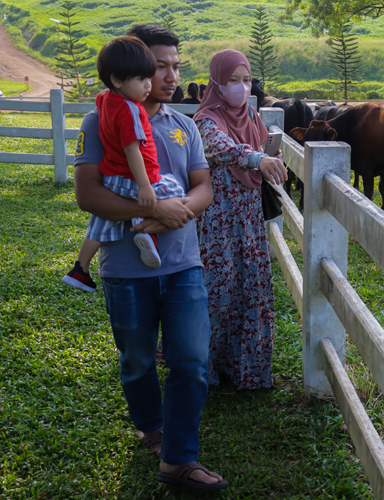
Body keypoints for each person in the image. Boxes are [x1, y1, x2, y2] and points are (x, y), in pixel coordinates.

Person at [73, 24, 227, 490]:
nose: (170, 75)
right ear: (130, 70)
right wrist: (152, 208)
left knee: (190, 360)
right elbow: (87, 195)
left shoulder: (184, 127)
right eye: (160, 66)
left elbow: (204, 187)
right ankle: (151, 426)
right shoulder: (97, 122)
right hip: (125, 269)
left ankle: (178, 458)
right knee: (137, 361)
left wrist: (172, 215)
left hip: (184, 265)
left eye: (176, 66)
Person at [193, 49, 287, 389]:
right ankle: (204, 369)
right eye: (233, 80)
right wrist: (257, 158)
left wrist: (269, 156)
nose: (242, 87)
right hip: (219, 225)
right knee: (217, 293)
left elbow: (263, 147)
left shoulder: (250, 118)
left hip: (248, 223)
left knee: (251, 292)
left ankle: (246, 370)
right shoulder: (206, 120)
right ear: (216, 81)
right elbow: (221, 148)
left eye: (247, 80)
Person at [62, 36, 186, 292]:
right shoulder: (131, 110)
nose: (148, 85)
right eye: (141, 79)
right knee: (173, 190)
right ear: (117, 80)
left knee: (101, 224)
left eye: (148, 78)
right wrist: (145, 185)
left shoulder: (105, 100)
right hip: (133, 177)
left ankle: (80, 268)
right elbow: (133, 150)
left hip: (113, 177)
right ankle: (148, 235)